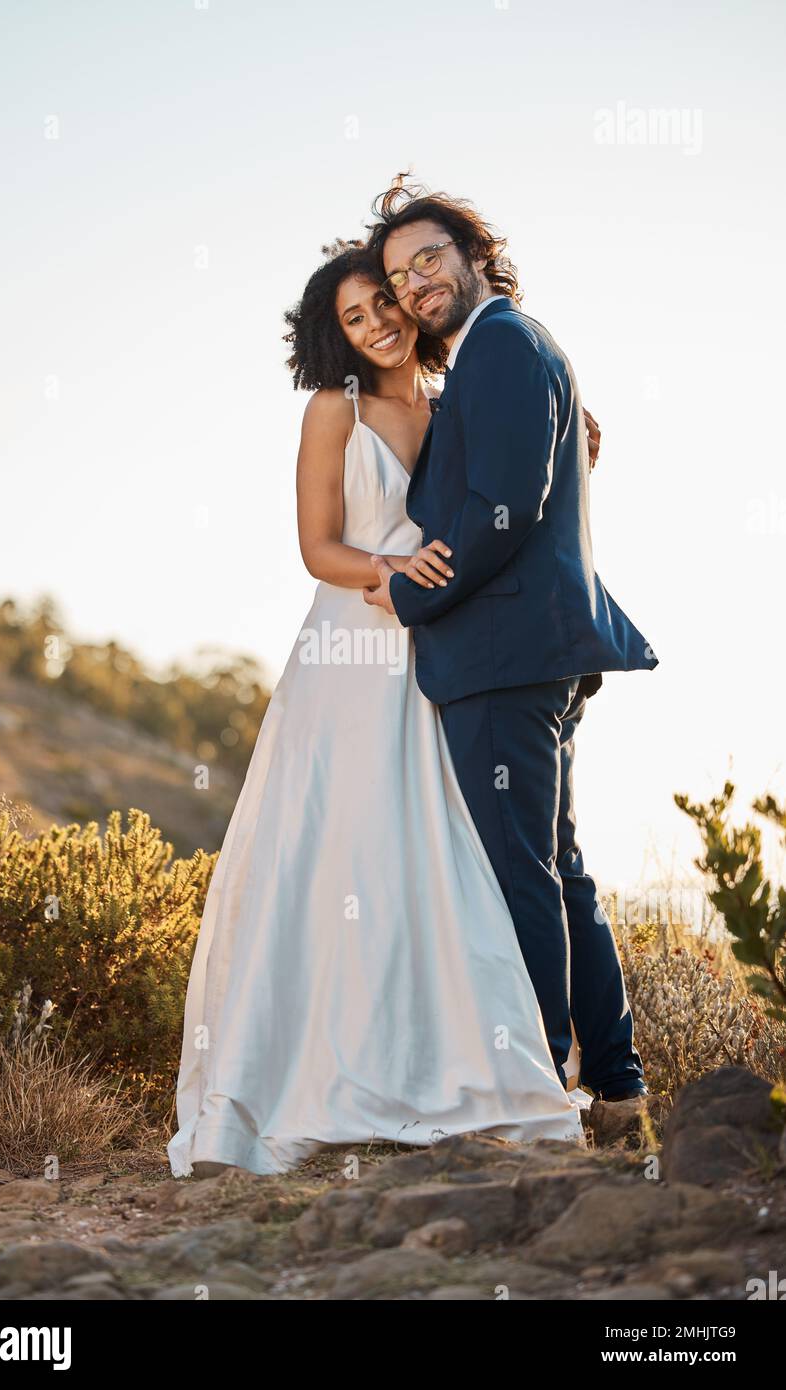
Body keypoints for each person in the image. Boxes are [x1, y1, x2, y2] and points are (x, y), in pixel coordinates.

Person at [167, 239, 592, 1180]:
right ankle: (309, 1075)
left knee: (429, 854)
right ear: (339, 336)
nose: (379, 325)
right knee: (339, 848)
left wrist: (572, 425)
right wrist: (389, 568)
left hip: (432, 649)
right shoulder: (334, 411)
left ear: (410, 305)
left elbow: (511, 472)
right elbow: (318, 547)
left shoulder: (451, 404)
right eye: (355, 318)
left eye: (385, 305)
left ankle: (434, 1068)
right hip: (347, 649)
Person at [364, 178, 658, 1103]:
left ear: (473, 253)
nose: (414, 284)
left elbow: (501, 510)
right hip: (540, 654)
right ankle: (612, 1082)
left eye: (428, 259)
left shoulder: (499, 345)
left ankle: (540, 1084)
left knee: (515, 874)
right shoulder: (512, 350)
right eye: (399, 275)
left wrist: (410, 598)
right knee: (556, 867)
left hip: (501, 656)